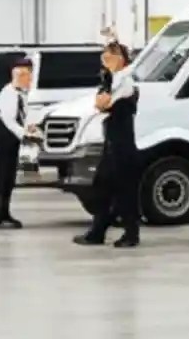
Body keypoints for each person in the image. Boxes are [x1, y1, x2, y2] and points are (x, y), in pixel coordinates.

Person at [75, 42, 140, 248]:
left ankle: (131, 234)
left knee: (124, 191)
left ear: (121, 59)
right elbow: (99, 102)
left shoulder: (125, 82)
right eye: (104, 57)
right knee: (102, 188)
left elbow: (104, 103)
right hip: (111, 143)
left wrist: (104, 96)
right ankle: (97, 232)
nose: (105, 60)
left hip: (123, 146)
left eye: (109, 56)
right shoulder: (111, 80)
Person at [0, 56, 35, 229]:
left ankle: (5, 212)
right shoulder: (8, 94)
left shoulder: (20, 94)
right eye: (28, 76)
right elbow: (8, 120)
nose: (30, 80)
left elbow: (22, 116)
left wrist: (28, 127)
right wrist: (24, 134)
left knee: (9, 178)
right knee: (3, 178)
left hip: (12, 141)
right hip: (4, 141)